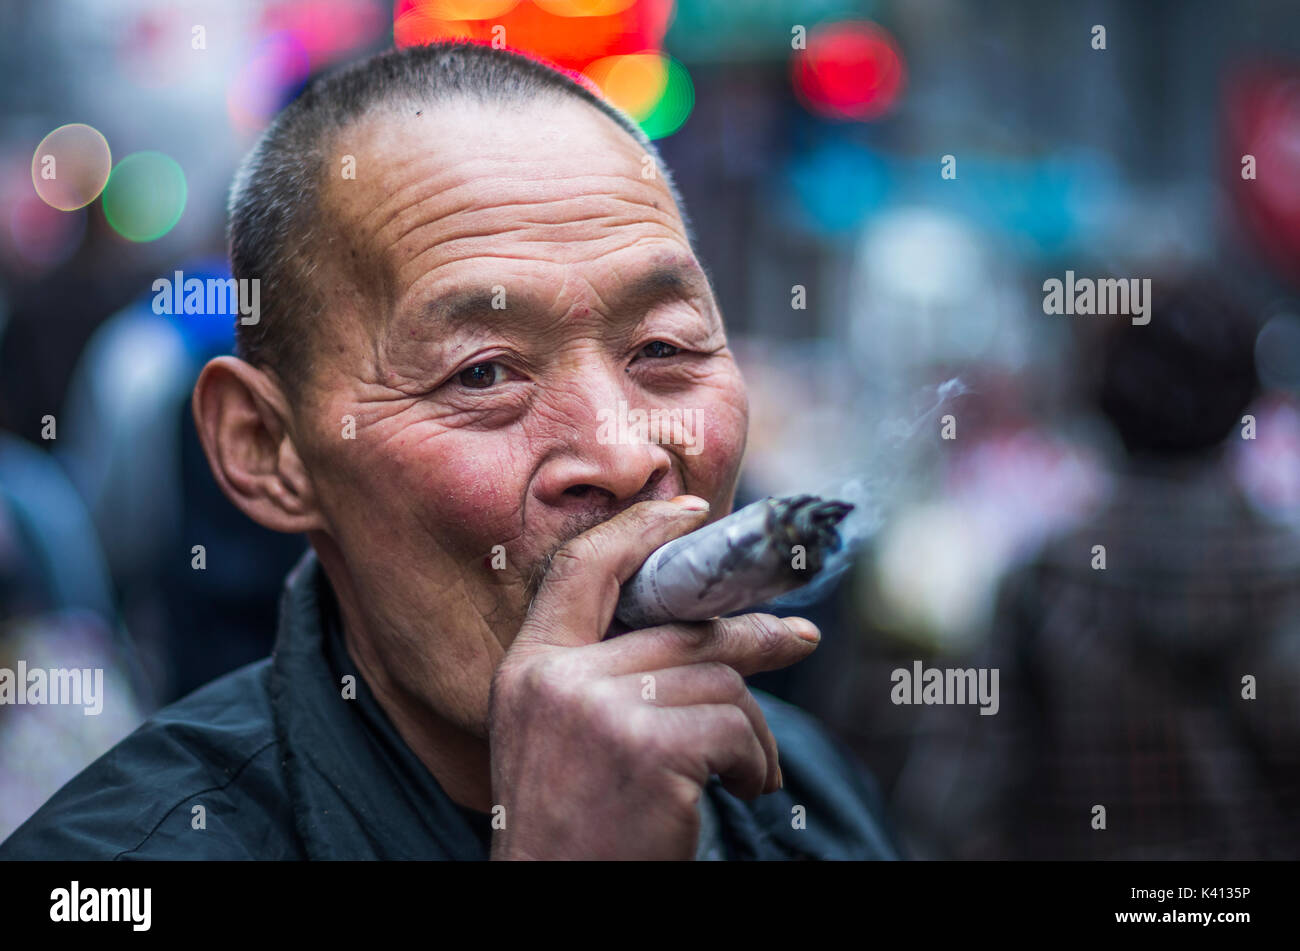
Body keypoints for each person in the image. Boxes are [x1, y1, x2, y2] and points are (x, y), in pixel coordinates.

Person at [0, 41, 897, 861]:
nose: (626, 458)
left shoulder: (801, 791)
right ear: (267, 447)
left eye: (662, 349)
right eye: (482, 374)